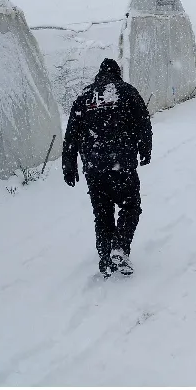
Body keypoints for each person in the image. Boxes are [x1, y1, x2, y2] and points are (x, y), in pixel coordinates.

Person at [63, 58, 152, 277]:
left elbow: (71, 133)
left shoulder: (85, 96)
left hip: (94, 167)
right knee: (131, 207)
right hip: (121, 164)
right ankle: (119, 247)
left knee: (102, 214)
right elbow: (143, 122)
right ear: (117, 73)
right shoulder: (127, 92)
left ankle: (105, 258)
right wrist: (145, 149)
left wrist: (69, 165)